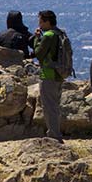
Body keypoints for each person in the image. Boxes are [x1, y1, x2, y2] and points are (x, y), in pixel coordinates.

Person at [32, 9, 66, 141]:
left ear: (47, 22)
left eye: (41, 21)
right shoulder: (60, 33)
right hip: (59, 74)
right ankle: (55, 132)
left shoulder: (49, 36)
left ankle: (54, 135)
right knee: (55, 106)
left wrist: (36, 39)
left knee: (49, 106)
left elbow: (39, 54)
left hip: (48, 74)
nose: (39, 24)